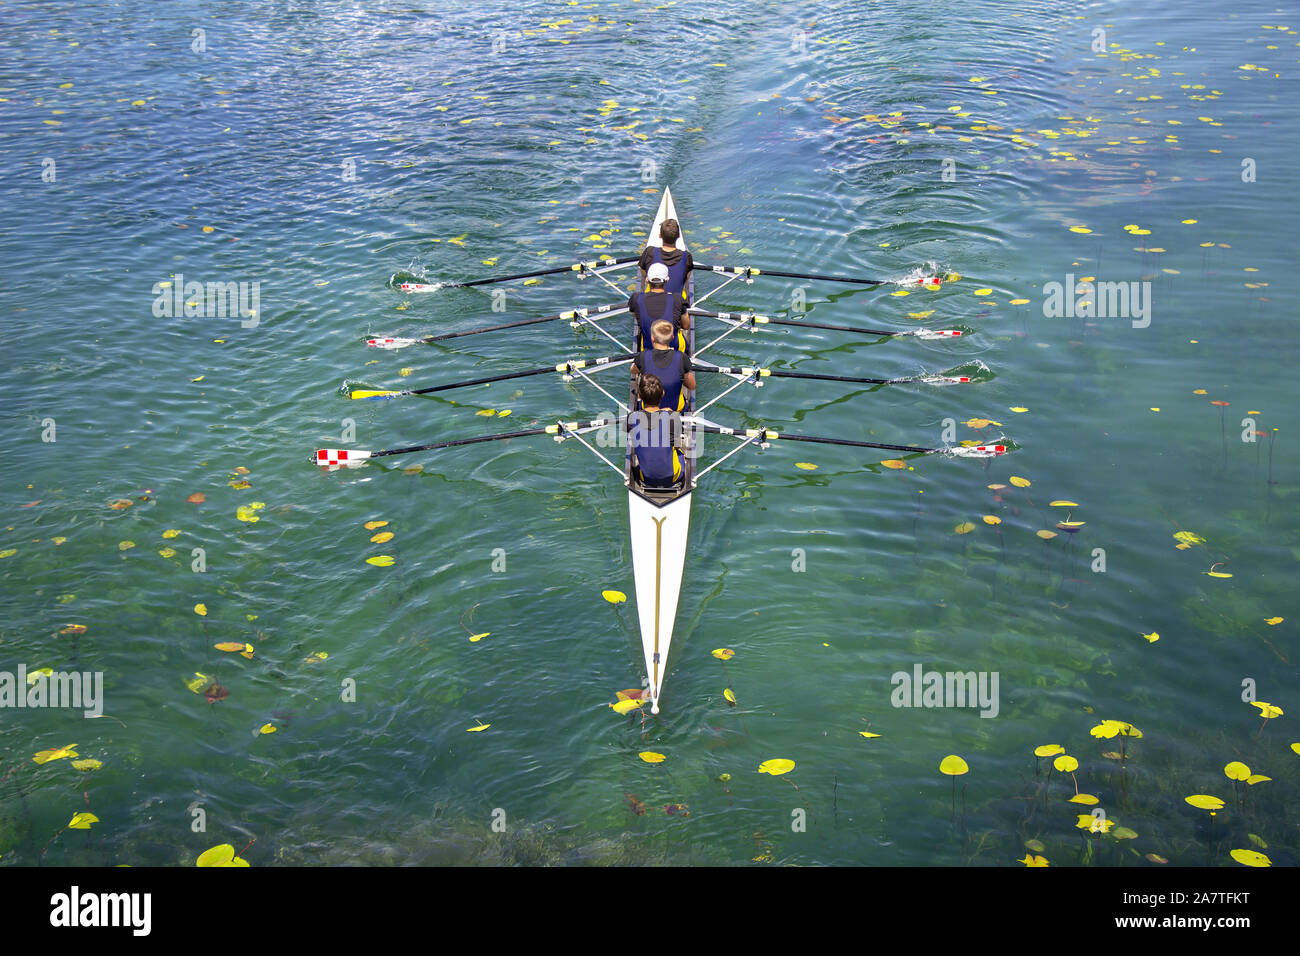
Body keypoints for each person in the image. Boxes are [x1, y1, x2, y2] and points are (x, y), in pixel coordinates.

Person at [627, 373, 684, 489]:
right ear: (663, 394)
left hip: (645, 479)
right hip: (672, 478)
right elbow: (677, 445)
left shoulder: (631, 418)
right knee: (680, 451)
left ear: (639, 396)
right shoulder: (673, 417)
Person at [633, 319, 696, 412]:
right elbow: (692, 386)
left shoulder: (642, 356)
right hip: (675, 410)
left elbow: (633, 370)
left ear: (652, 338)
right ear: (672, 337)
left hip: (646, 410)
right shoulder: (682, 358)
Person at [629, 262, 688, 352]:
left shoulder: (635, 298)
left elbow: (638, 319)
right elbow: (686, 326)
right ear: (667, 280)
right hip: (674, 347)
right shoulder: (677, 299)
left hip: (647, 347)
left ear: (647, 280)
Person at [638, 217, 693, 305]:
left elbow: (644, 275)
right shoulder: (686, 256)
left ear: (660, 236)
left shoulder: (649, 252)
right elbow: (686, 279)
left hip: (652, 301)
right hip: (677, 304)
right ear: (678, 236)